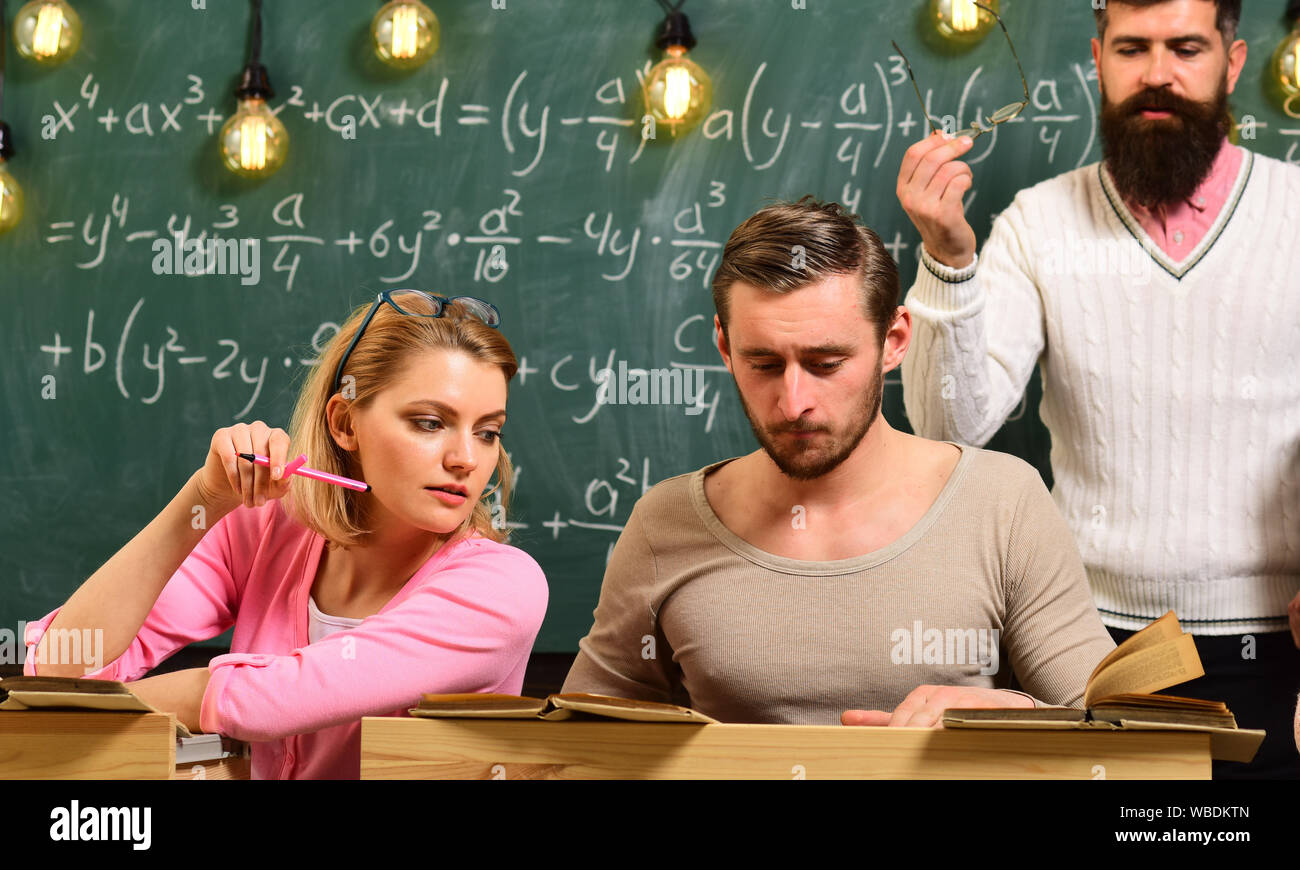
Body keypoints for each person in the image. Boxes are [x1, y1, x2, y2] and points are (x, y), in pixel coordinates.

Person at [896, 0, 1300, 776]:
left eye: (1185, 48)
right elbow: (952, 426)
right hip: (1085, 650)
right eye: (1131, 48)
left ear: (1234, 60)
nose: (1157, 75)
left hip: (1282, 655)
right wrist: (948, 257)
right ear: (1096, 58)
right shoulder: (1035, 225)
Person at [562, 198, 1115, 726]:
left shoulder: (1003, 502)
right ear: (725, 348)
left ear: (894, 340)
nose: (794, 401)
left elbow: (1116, 730)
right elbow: (580, 739)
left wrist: (1019, 717)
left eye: (826, 363)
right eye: (763, 363)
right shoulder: (666, 522)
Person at [23, 291, 549, 779]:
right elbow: (63, 664)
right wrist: (202, 500)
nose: (465, 459)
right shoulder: (270, 527)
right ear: (345, 424)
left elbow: (263, 701)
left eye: (487, 432)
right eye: (430, 422)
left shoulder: (503, 588)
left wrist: (102, 712)